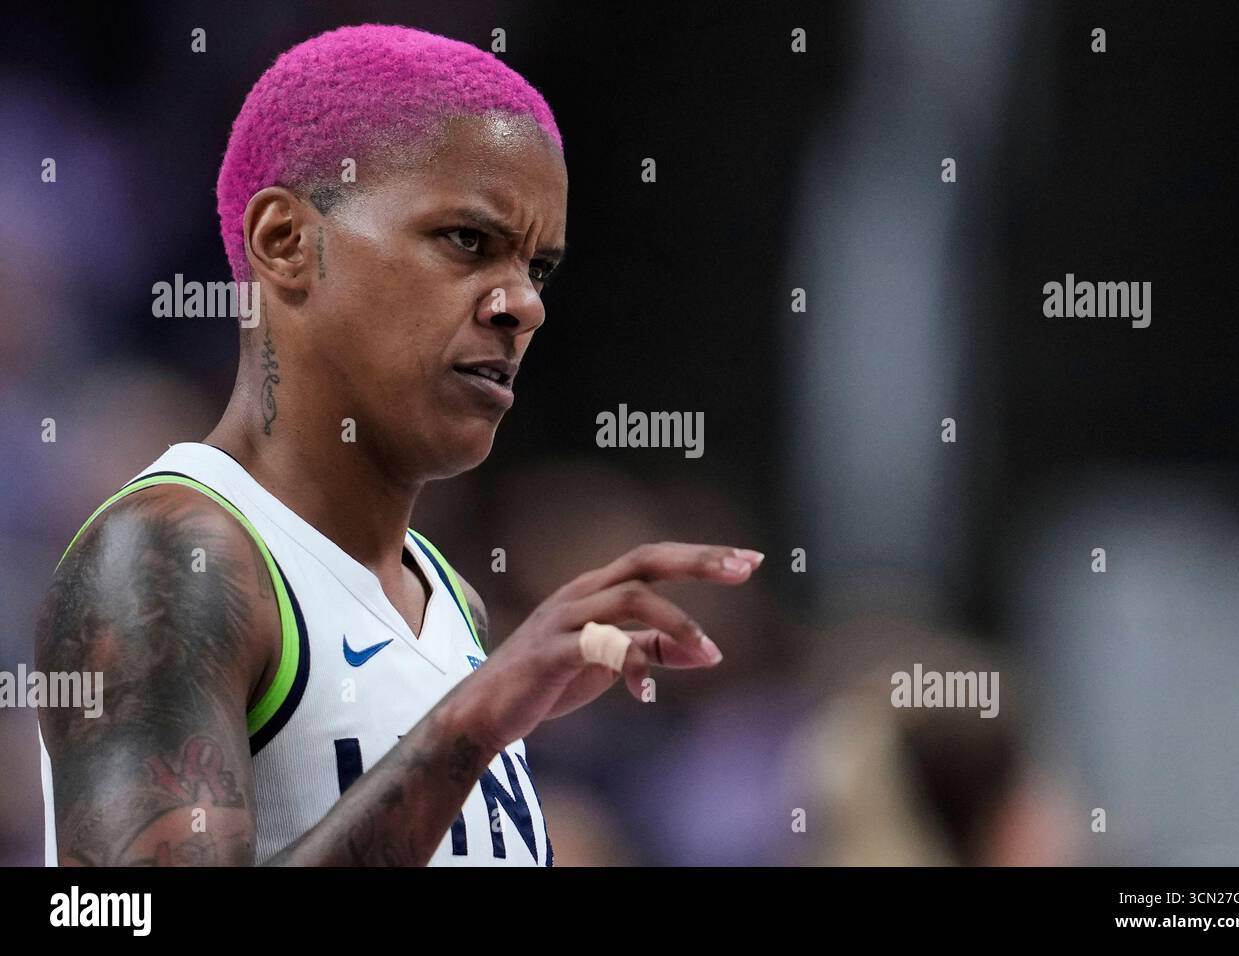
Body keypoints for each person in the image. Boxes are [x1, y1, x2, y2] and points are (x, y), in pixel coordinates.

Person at [34, 24, 762, 866]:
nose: (522, 305)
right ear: (286, 243)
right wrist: (467, 726)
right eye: (469, 242)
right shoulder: (165, 556)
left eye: (539, 268)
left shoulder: (453, 604)